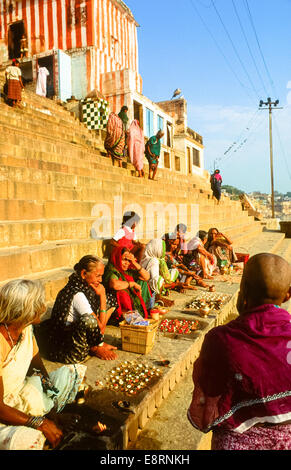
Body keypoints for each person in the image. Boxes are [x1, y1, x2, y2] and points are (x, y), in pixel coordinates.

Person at [187, 253, 291, 450]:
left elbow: (210, 392)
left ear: (243, 288)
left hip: (237, 441)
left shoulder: (220, 339)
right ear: (288, 294)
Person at [0, 279, 94, 450]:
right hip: (3, 410)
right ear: (25, 311)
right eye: (39, 303)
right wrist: (41, 422)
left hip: (21, 392)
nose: (44, 308)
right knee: (26, 442)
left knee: (73, 373)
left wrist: (51, 411)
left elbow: (38, 370)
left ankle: (45, 414)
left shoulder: (26, 329)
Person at [46, 255, 118, 363]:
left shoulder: (80, 284)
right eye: (98, 276)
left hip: (73, 334)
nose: (101, 280)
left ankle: (98, 343)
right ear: (84, 274)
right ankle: (95, 347)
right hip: (66, 349)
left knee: (111, 300)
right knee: (90, 320)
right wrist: (102, 295)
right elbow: (100, 328)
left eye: (101, 276)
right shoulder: (77, 294)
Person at [103, 246, 152, 323]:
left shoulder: (127, 270)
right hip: (112, 306)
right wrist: (132, 284)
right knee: (122, 292)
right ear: (117, 257)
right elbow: (115, 284)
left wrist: (134, 262)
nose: (127, 263)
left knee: (143, 282)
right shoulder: (112, 269)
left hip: (127, 308)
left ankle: (133, 315)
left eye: (129, 261)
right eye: (124, 260)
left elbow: (146, 277)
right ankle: (124, 316)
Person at [141, 239, 187, 307]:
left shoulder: (144, 258)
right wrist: (176, 285)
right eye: (162, 249)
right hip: (148, 295)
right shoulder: (154, 261)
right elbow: (156, 284)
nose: (163, 251)